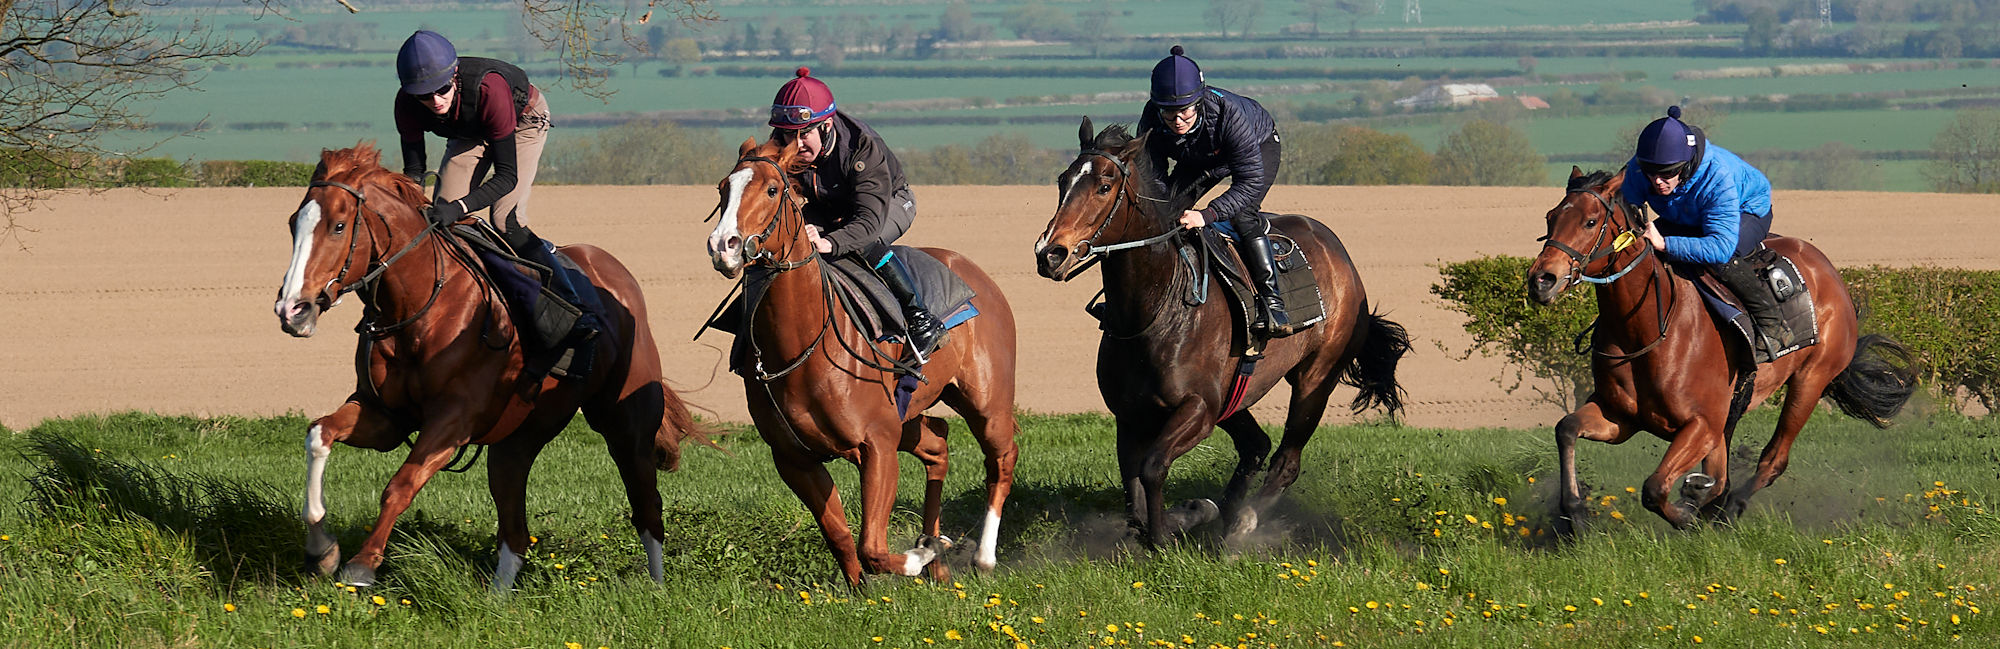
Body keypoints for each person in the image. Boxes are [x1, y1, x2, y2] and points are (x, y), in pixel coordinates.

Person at [393, 29, 598, 376]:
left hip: (521, 121)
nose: (435, 101)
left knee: (506, 221)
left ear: (455, 75)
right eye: (424, 95)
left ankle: (573, 310)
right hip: (470, 131)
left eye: (442, 90)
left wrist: (458, 207)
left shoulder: (490, 89)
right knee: (443, 223)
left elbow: (506, 177)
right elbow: (413, 173)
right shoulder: (406, 105)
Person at [769, 67, 944, 363]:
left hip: (888, 205)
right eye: (787, 135)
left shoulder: (862, 146)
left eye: (804, 134)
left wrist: (829, 243)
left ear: (826, 126)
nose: (794, 145)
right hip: (828, 208)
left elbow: (867, 222)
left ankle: (921, 318)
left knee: (864, 243)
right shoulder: (784, 144)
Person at [1135, 45, 1293, 338]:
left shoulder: (1228, 115)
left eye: (1184, 111)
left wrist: (1206, 216)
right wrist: (1165, 207)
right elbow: (1151, 177)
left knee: (1243, 215)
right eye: (1168, 113)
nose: (1177, 120)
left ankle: (1272, 302)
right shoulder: (1151, 118)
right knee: (1160, 215)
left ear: (1198, 101)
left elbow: (1249, 182)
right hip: (1201, 157)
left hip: (1257, 145)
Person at [1621, 105, 1795, 363]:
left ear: (1686, 165)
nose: (1657, 181)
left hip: (1745, 209)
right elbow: (1623, 205)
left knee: (1720, 259)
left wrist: (1665, 243)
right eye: (1651, 172)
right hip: (1687, 213)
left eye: (1668, 173)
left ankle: (1773, 325)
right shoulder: (1639, 169)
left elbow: (1720, 246)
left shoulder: (1717, 176)